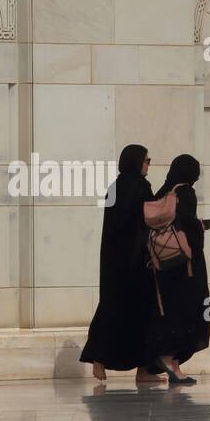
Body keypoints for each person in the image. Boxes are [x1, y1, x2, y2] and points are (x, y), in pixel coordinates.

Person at [79, 144, 163, 385]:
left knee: (111, 308)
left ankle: (99, 359)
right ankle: (143, 370)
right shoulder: (141, 186)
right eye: (147, 159)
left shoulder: (115, 187)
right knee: (143, 315)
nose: (149, 164)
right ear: (137, 161)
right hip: (137, 263)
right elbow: (151, 219)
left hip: (114, 261)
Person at [145, 154, 210, 386]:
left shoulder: (164, 190)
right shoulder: (185, 192)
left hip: (164, 264)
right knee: (192, 311)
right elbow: (188, 225)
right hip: (186, 266)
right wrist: (201, 225)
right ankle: (171, 359)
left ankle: (173, 364)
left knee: (172, 312)